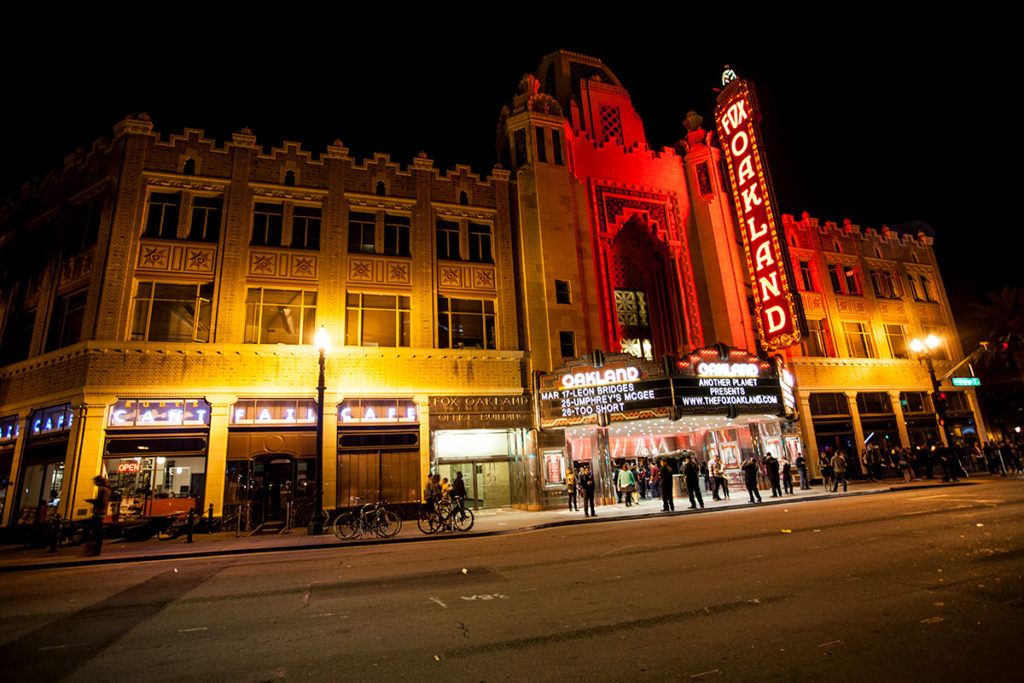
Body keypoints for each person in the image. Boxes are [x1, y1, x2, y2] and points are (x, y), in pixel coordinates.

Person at [84, 475, 112, 556]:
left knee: (96, 531)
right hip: (100, 513)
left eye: (95, 481)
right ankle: (95, 549)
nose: (94, 483)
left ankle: (95, 549)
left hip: (98, 513)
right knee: (96, 531)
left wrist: (92, 501)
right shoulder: (105, 489)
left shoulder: (103, 490)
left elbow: (101, 502)